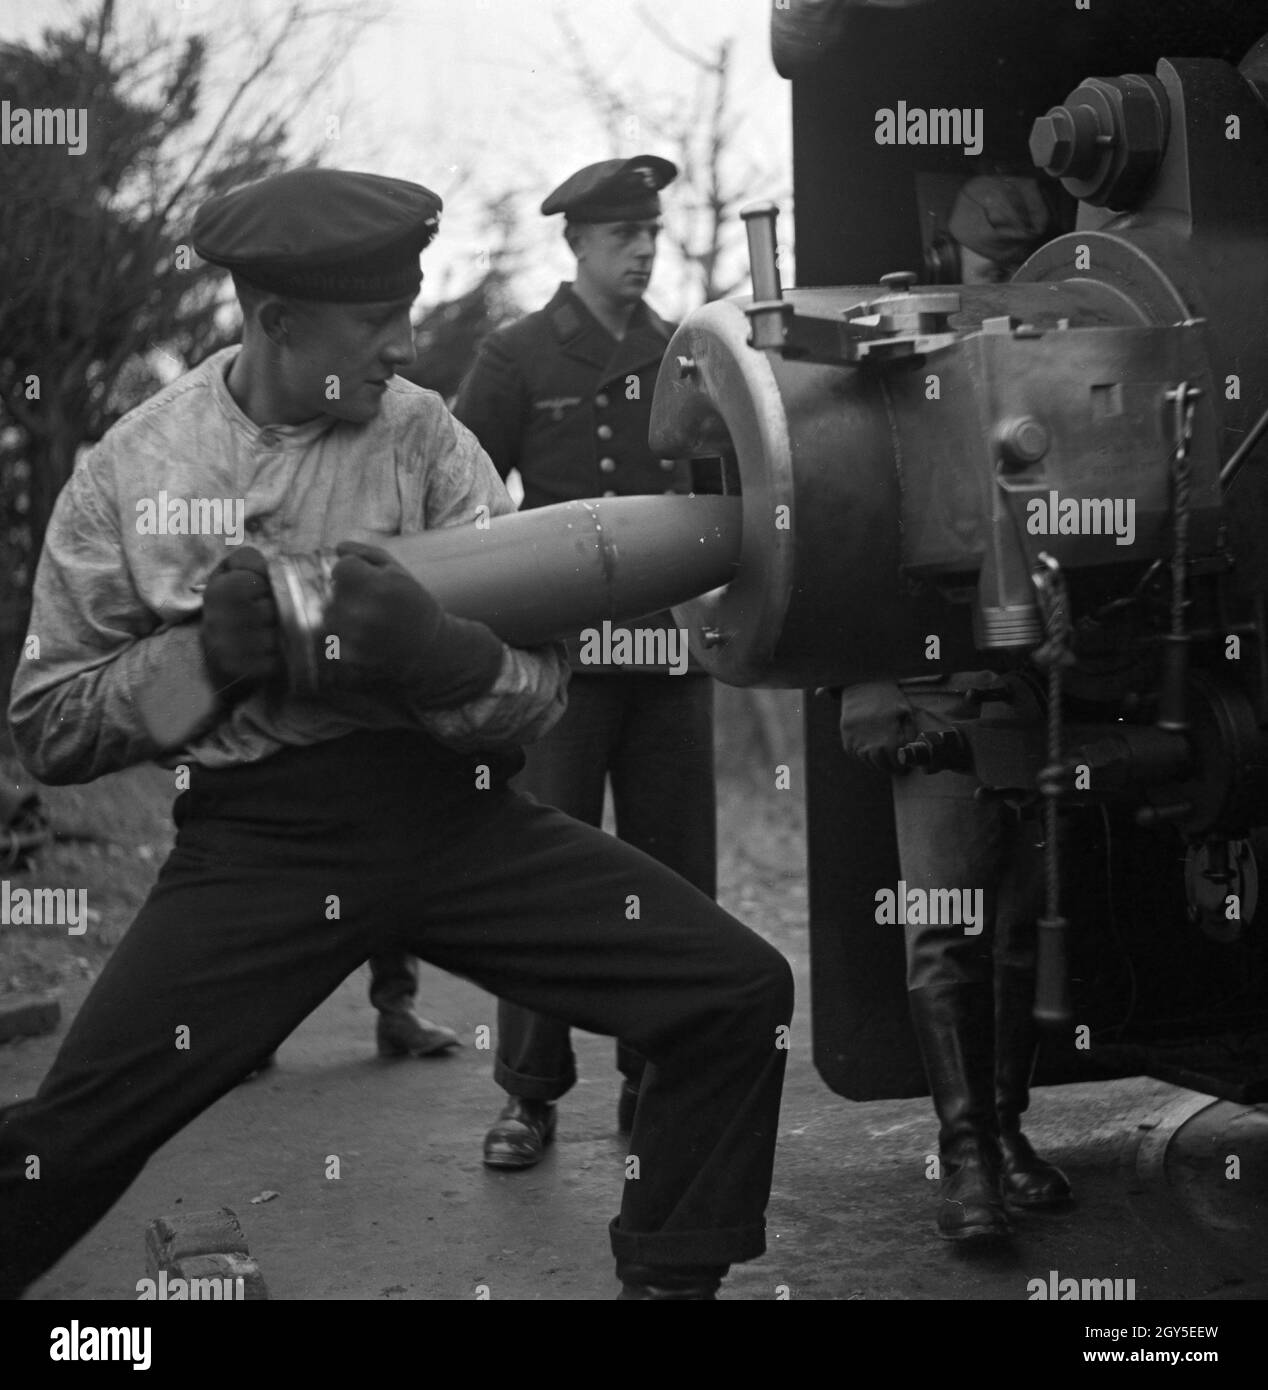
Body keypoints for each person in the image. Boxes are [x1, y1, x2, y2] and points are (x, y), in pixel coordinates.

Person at [0, 168, 792, 1301]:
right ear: (277, 322)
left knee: (734, 994)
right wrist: (198, 669)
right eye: (375, 321)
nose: (403, 346)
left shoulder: (427, 442)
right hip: (258, 849)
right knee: (67, 1140)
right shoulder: (134, 470)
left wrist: (437, 654)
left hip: (455, 819)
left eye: (407, 309)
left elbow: (536, 689)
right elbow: (48, 729)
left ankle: (668, 1283)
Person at [453, 156, 717, 1169]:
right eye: (623, 237)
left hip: (663, 659)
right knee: (544, 876)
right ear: (577, 245)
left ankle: (656, 1078)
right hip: (556, 665)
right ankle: (527, 1095)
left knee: (671, 874)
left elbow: (714, 506)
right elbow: (464, 502)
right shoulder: (516, 356)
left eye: (652, 233)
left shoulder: (687, 356)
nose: (644, 251)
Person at [838, 174, 1071, 1243]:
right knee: (945, 932)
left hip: (1019, 682)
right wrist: (870, 690)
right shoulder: (898, 364)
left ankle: (1008, 1131)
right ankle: (964, 1154)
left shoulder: (1059, 357)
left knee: (1019, 930)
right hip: (925, 684)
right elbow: (841, 533)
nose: (1002, 295)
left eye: (1019, 272)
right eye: (988, 273)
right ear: (950, 257)